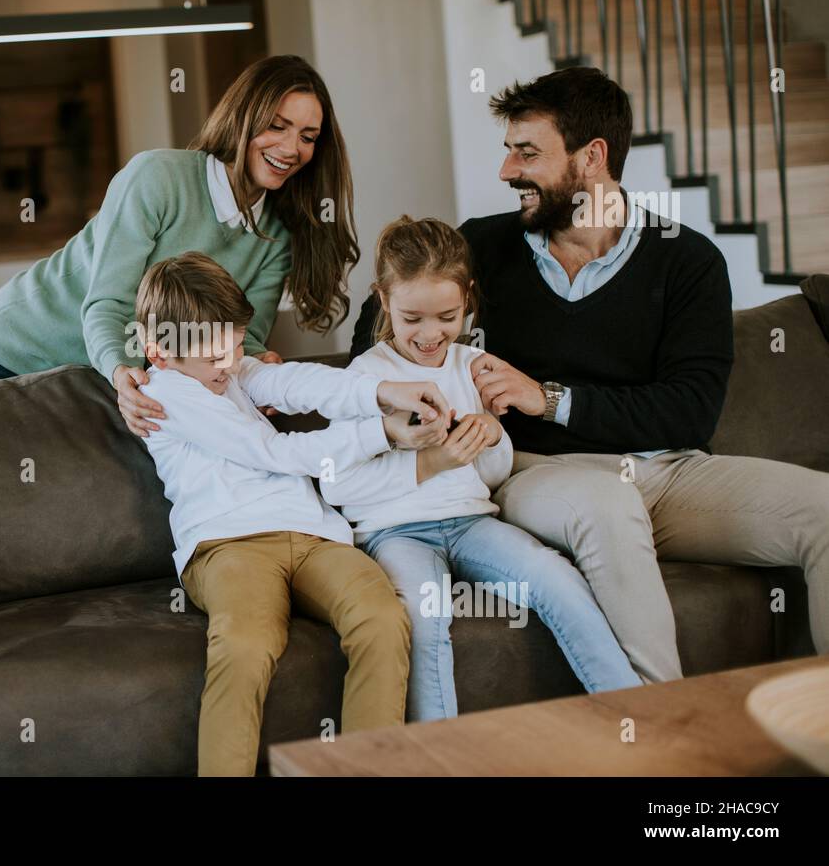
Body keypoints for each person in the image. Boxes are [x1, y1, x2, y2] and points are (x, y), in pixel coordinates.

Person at [350, 67, 829, 681]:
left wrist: (546, 398)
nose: (507, 171)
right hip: (536, 473)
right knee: (606, 503)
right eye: (508, 151)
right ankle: (656, 726)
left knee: (822, 509)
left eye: (527, 152)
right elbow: (384, 318)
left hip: (669, 473)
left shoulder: (687, 261)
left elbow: (689, 411)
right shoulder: (483, 249)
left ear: (592, 157)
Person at [134, 251, 451, 775]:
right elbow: (272, 452)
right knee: (245, 643)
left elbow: (301, 383)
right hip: (227, 545)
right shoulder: (165, 392)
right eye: (215, 356)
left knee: (382, 619)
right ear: (160, 353)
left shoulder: (230, 372)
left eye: (236, 347)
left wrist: (383, 392)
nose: (230, 365)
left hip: (313, 535)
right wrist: (382, 431)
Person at [0, 55, 361, 440]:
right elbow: (109, 303)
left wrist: (258, 366)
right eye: (276, 125)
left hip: (104, 371)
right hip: (20, 341)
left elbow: (241, 335)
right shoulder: (157, 178)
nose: (291, 149)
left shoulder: (276, 235)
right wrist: (124, 370)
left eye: (308, 136)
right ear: (243, 118)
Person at [321, 215, 641, 721]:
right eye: (412, 319)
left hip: (472, 523)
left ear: (468, 298)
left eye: (447, 316)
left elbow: (489, 476)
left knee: (555, 578)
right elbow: (340, 487)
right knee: (426, 618)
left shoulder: (471, 364)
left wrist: (492, 436)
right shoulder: (366, 379)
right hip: (396, 534)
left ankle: (636, 715)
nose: (431, 335)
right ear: (384, 300)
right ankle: (445, 754)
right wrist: (431, 461)